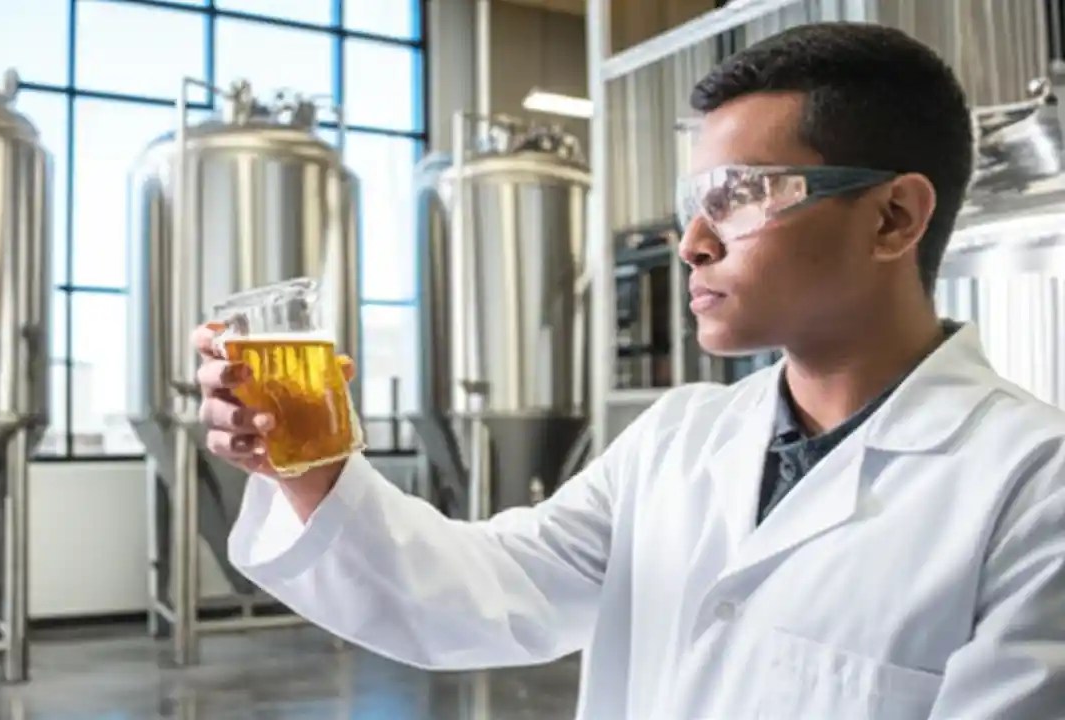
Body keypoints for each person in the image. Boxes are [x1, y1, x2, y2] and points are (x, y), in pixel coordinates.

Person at [193, 22, 1065, 719]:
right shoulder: (680, 439)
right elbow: (484, 592)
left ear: (893, 218)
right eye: (695, 204)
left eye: (741, 196)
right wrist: (309, 470)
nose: (691, 242)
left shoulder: (1034, 493)